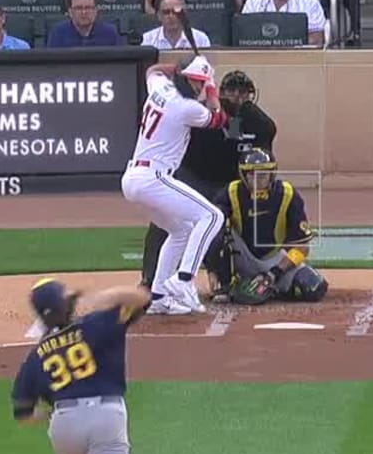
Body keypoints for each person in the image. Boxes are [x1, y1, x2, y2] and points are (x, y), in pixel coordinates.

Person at [12, 277, 152, 454]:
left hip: (64, 424)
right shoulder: (98, 325)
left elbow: (22, 413)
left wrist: (47, 413)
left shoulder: (36, 356)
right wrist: (104, 295)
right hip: (106, 416)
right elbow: (142, 298)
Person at [142, 68, 275, 296]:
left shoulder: (262, 125)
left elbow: (261, 168)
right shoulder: (200, 112)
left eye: (243, 92)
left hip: (233, 184)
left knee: (235, 221)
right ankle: (150, 281)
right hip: (195, 177)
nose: (237, 97)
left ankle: (226, 278)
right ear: (220, 92)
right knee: (166, 221)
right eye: (231, 91)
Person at [122, 57, 230, 316]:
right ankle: (183, 279)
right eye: (196, 83)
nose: (198, 88)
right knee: (213, 216)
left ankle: (158, 297)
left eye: (200, 84)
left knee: (181, 230)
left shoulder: (160, 87)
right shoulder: (187, 107)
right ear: (185, 79)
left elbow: (152, 69)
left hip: (134, 177)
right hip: (153, 177)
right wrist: (212, 88)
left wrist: (178, 69)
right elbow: (220, 119)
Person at [205, 148, 328, 306]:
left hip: (274, 259)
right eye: (252, 175)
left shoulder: (287, 194)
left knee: (314, 287)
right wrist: (212, 270)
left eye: (262, 175)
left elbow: (302, 247)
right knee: (215, 228)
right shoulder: (231, 192)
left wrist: (274, 273)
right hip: (242, 255)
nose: (258, 180)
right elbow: (208, 229)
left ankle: (269, 287)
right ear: (244, 175)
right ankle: (226, 285)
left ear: (272, 174)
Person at [44, 0, 123, 47]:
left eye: (88, 8)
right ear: (70, 12)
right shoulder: (58, 33)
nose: (84, 12)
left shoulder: (110, 32)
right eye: (78, 8)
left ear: (95, 11)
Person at [141, 0, 212, 49]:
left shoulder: (200, 38)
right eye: (166, 12)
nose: (171, 16)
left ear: (184, 15)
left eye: (176, 12)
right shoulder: (147, 39)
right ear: (159, 16)